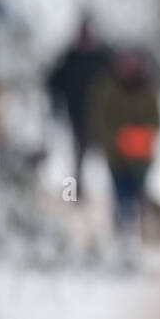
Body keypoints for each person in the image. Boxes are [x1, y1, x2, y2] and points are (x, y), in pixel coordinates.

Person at [88, 48, 160, 231]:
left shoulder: (147, 89)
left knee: (138, 191)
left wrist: (140, 136)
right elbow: (100, 118)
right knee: (121, 193)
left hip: (141, 156)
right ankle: (122, 227)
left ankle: (138, 227)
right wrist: (117, 138)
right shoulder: (108, 88)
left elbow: (156, 119)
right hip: (116, 156)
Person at [47, 16, 111, 189]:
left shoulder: (102, 58)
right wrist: (57, 105)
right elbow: (53, 82)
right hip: (76, 117)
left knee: (109, 158)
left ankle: (113, 198)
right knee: (76, 158)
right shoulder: (70, 58)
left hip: (102, 118)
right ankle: (74, 193)